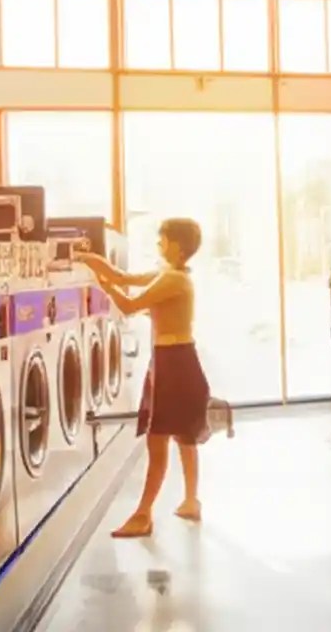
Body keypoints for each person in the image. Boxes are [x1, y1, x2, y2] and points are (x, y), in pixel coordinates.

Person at [75, 218, 209, 538]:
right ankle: (191, 501)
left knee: (158, 437)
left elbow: (130, 304)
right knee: (183, 435)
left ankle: (142, 514)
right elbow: (124, 276)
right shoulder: (172, 275)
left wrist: (102, 285)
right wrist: (86, 258)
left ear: (176, 245)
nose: (158, 244)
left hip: (173, 363)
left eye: (162, 240)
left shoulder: (174, 280)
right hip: (174, 360)